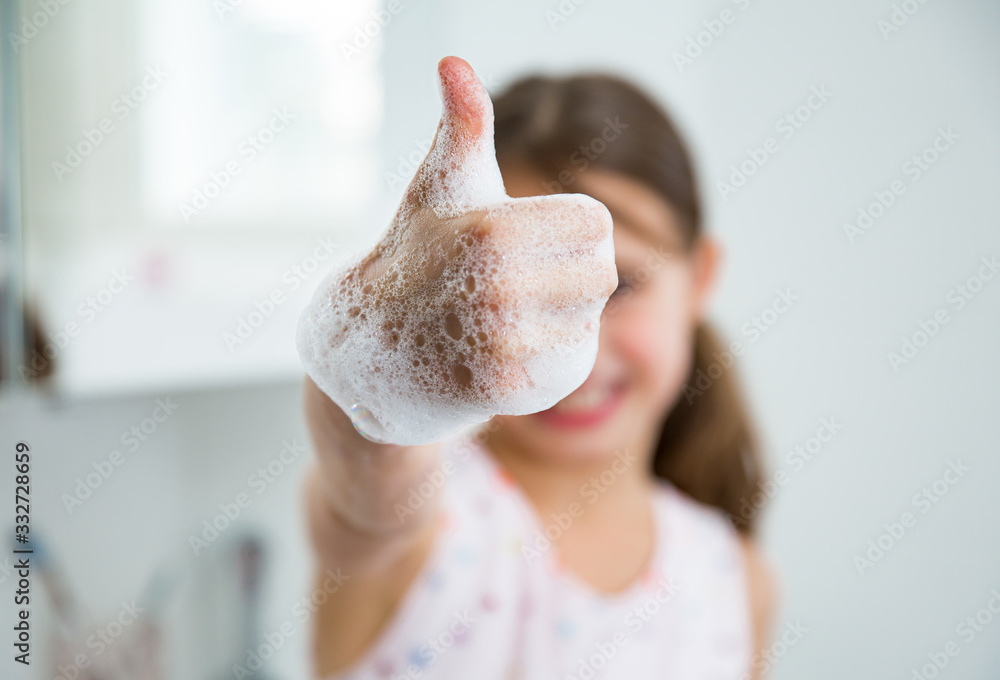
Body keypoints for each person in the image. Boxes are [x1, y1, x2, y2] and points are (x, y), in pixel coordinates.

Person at [301, 56, 776, 679]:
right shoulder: (422, 521)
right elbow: (364, 497)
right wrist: (382, 355)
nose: (571, 358)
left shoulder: (737, 582)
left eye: (623, 284)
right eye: (507, 297)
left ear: (701, 278)